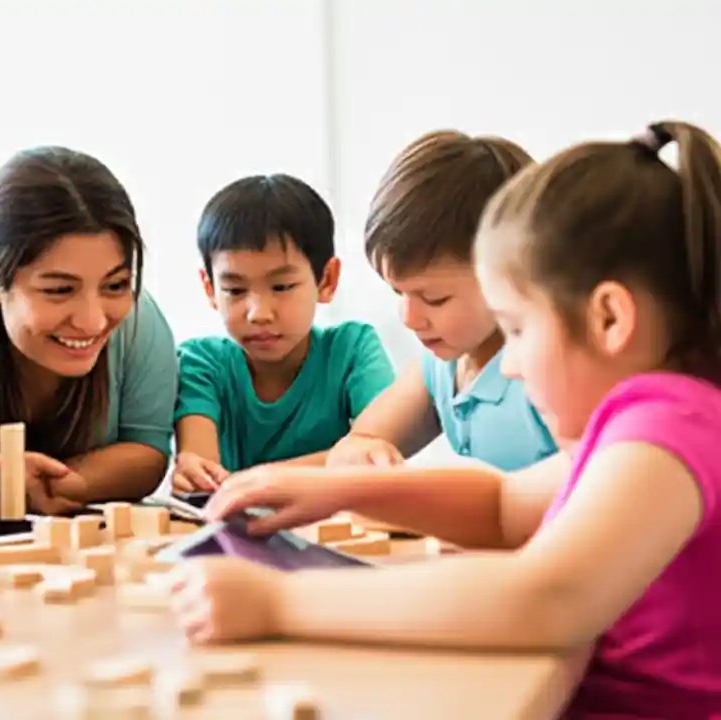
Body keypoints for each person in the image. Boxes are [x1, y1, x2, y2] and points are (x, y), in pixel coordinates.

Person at [169, 121, 721, 717]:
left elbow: (543, 598)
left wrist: (278, 601)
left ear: (610, 319)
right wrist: (340, 488)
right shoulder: (647, 426)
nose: (508, 367)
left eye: (516, 329)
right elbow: (502, 507)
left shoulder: (667, 430)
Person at [0, 146, 176, 513]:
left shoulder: (138, 323)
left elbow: (148, 454)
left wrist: (56, 481)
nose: (93, 321)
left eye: (115, 285)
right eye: (59, 290)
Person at [327, 131, 555, 471]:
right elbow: (361, 441)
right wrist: (359, 454)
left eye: (434, 298)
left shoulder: (548, 375)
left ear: (512, 277)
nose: (409, 317)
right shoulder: (442, 365)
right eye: (398, 292)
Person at [172, 174, 394, 492]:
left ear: (326, 280)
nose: (259, 313)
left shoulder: (353, 350)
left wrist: (255, 482)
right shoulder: (201, 362)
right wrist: (192, 472)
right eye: (235, 290)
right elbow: (200, 468)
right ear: (210, 289)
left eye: (282, 287)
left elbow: (375, 456)